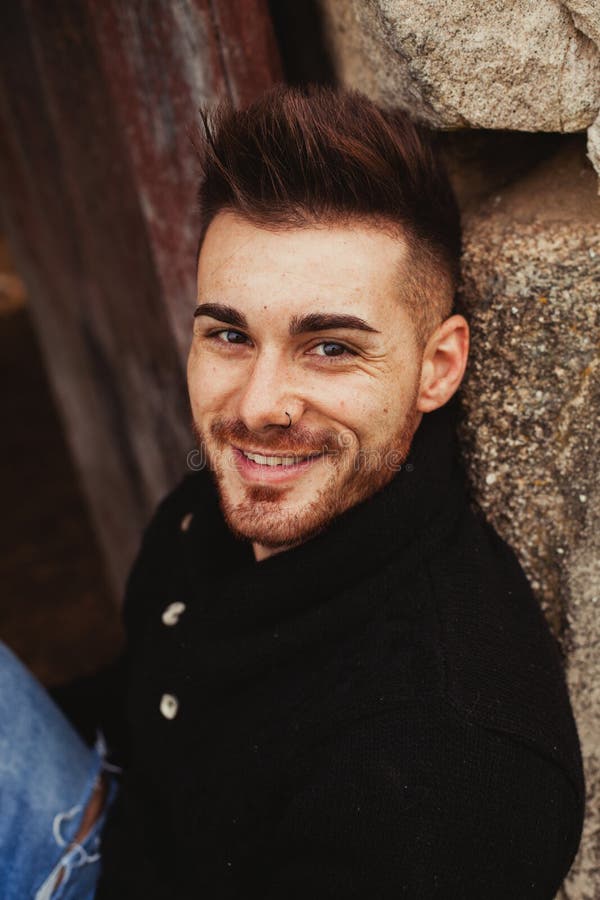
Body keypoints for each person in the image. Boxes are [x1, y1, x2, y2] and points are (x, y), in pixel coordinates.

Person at [0, 85, 584, 899]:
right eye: (231, 335)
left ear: (438, 367)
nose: (256, 406)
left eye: (331, 347)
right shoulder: (215, 508)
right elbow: (153, 691)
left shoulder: (449, 767)